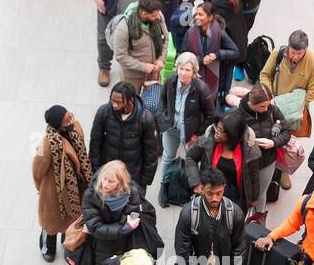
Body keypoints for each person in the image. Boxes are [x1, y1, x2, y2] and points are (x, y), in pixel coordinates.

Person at [175, 165, 246, 265]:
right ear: (201, 189)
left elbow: (238, 250)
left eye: (219, 193)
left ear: (224, 187)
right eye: (210, 193)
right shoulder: (189, 214)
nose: (215, 198)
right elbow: (183, 252)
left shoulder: (235, 213)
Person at [33, 106, 92, 262]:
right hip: (54, 194)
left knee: (71, 221)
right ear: (58, 124)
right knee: (51, 226)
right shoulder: (46, 145)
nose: (71, 120)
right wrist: (43, 190)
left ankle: (67, 240)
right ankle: (48, 247)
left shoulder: (75, 127)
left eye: (70, 116)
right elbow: (37, 172)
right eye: (67, 120)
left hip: (75, 188)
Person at [258, 30, 314, 168]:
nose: (295, 56)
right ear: (288, 46)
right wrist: (269, 97)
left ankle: (283, 171)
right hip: (272, 105)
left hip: (294, 114)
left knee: (287, 142)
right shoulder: (278, 53)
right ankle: (270, 164)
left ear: (306, 49)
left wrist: (287, 105)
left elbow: (312, 93)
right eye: (293, 52)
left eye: (300, 53)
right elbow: (265, 75)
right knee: (270, 135)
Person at [159, 51, 217, 199]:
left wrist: (198, 134)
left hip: (191, 133)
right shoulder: (170, 81)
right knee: (167, 157)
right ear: (176, 68)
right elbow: (162, 102)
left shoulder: (201, 88)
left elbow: (211, 114)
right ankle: (163, 187)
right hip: (171, 129)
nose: (183, 73)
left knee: (194, 161)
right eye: (181, 68)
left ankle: (195, 191)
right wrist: (164, 119)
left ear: (194, 72)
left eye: (187, 70)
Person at [82, 159, 162, 265]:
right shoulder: (91, 196)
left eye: (111, 181)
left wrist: (133, 221)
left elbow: (135, 213)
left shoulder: (131, 192)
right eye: (104, 179)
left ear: (120, 182)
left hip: (127, 245)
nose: (105, 184)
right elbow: (95, 228)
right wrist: (125, 227)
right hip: (104, 247)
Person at [185, 115, 259, 220]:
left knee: (231, 224)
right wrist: (196, 182)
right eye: (217, 127)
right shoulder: (208, 141)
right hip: (210, 191)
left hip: (235, 195)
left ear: (233, 135)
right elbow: (190, 157)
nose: (216, 132)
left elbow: (253, 175)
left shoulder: (248, 149)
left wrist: (254, 198)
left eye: (221, 130)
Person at [89, 83, 159, 192]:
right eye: (112, 100)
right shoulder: (104, 113)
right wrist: (97, 171)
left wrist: (144, 181)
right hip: (108, 173)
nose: (114, 105)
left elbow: (151, 152)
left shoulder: (145, 119)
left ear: (130, 100)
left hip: (132, 176)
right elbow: (95, 144)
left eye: (119, 102)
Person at [238, 85, 291, 225]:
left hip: (268, 160)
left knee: (261, 194)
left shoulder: (272, 110)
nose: (267, 109)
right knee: (244, 193)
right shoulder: (239, 115)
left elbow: (286, 133)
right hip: (247, 162)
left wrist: (273, 143)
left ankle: (258, 221)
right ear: (252, 103)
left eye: (268, 105)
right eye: (263, 106)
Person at [110, 0, 168, 92]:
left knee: (152, 102)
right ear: (144, 14)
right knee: (132, 102)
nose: (157, 17)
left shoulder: (158, 15)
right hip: (132, 77)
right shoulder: (123, 28)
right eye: (154, 16)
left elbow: (166, 38)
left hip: (153, 73)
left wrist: (161, 59)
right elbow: (121, 56)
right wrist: (143, 67)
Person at [185, 0, 239, 98]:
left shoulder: (219, 33)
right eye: (196, 14)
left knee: (210, 101)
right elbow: (183, 54)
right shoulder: (190, 32)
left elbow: (235, 51)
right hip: (193, 75)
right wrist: (201, 60)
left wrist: (216, 55)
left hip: (214, 75)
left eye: (201, 15)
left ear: (210, 17)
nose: (196, 17)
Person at [211, 0, 247, 97]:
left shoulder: (217, 5)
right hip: (240, 42)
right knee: (229, 70)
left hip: (230, 46)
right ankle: (224, 92)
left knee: (224, 72)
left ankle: (222, 94)